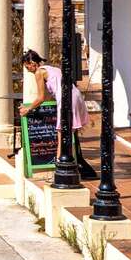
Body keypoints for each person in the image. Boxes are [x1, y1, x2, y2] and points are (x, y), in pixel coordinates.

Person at [20, 50, 94, 179]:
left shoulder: (39, 72)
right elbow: (49, 93)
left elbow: (41, 97)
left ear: (32, 63)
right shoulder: (51, 69)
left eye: (27, 67)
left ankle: (60, 170)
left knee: (62, 135)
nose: (28, 70)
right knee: (69, 134)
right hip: (75, 96)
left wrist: (28, 109)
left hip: (66, 100)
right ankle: (72, 165)